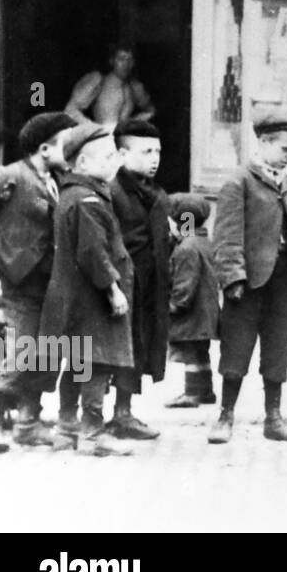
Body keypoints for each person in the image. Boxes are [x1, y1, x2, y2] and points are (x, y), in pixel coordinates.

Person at [209, 110, 287, 444]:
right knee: (236, 349)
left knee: (278, 348)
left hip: (283, 280)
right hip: (248, 281)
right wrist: (233, 277)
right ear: (264, 142)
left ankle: (274, 418)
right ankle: (225, 416)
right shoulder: (238, 181)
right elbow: (226, 235)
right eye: (284, 149)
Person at [39, 123, 136, 457]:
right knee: (96, 363)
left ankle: (66, 428)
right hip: (92, 299)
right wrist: (113, 290)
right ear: (81, 164)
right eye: (107, 157)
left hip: (73, 296)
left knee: (77, 360)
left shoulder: (73, 194)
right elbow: (93, 252)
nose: (115, 162)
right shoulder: (88, 200)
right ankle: (93, 435)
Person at [0, 111, 76, 451]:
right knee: (22, 351)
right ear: (43, 148)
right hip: (20, 280)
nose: (69, 151)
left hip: (47, 281)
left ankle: (28, 421)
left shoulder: (56, 178)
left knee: (45, 351)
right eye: (64, 144)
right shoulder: (10, 175)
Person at [108, 120, 172, 439]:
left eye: (158, 151)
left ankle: (124, 411)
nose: (154, 158)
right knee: (116, 347)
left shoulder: (155, 193)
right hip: (122, 285)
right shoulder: (111, 191)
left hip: (150, 285)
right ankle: (101, 414)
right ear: (121, 154)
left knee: (139, 346)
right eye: (146, 151)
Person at [164, 193, 220, 409]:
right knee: (200, 351)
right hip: (204, 310)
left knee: (190, 352)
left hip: (191, 312)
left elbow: (185, 283)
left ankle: (192, 393)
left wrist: (174, 305)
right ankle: (205, 391)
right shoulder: (203, 241)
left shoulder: (187, 247)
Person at [64, 45, 156, 126]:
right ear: (112, 61)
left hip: (124, 139)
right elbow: (70, 110)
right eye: (121, 59)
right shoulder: (98, 80)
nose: (126, 64)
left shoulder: (135, 86)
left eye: (130, 59)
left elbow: (150, 111)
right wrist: (93, 129)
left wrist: (132, 124)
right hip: (101, 139)